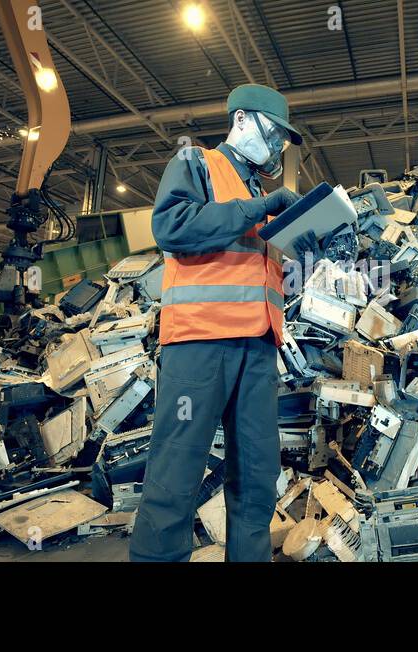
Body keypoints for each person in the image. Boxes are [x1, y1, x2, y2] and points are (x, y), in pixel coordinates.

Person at [130, 83, 319, 562]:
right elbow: (172, 228)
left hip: (257, 349)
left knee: (257, 475)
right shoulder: (198, 164)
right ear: (241, 120)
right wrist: (259, 207)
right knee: (176, 471)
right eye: (274, 134)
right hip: (200, 342)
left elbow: (260, 275)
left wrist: (312, 248)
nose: (277, 147)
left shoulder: (257, 194)